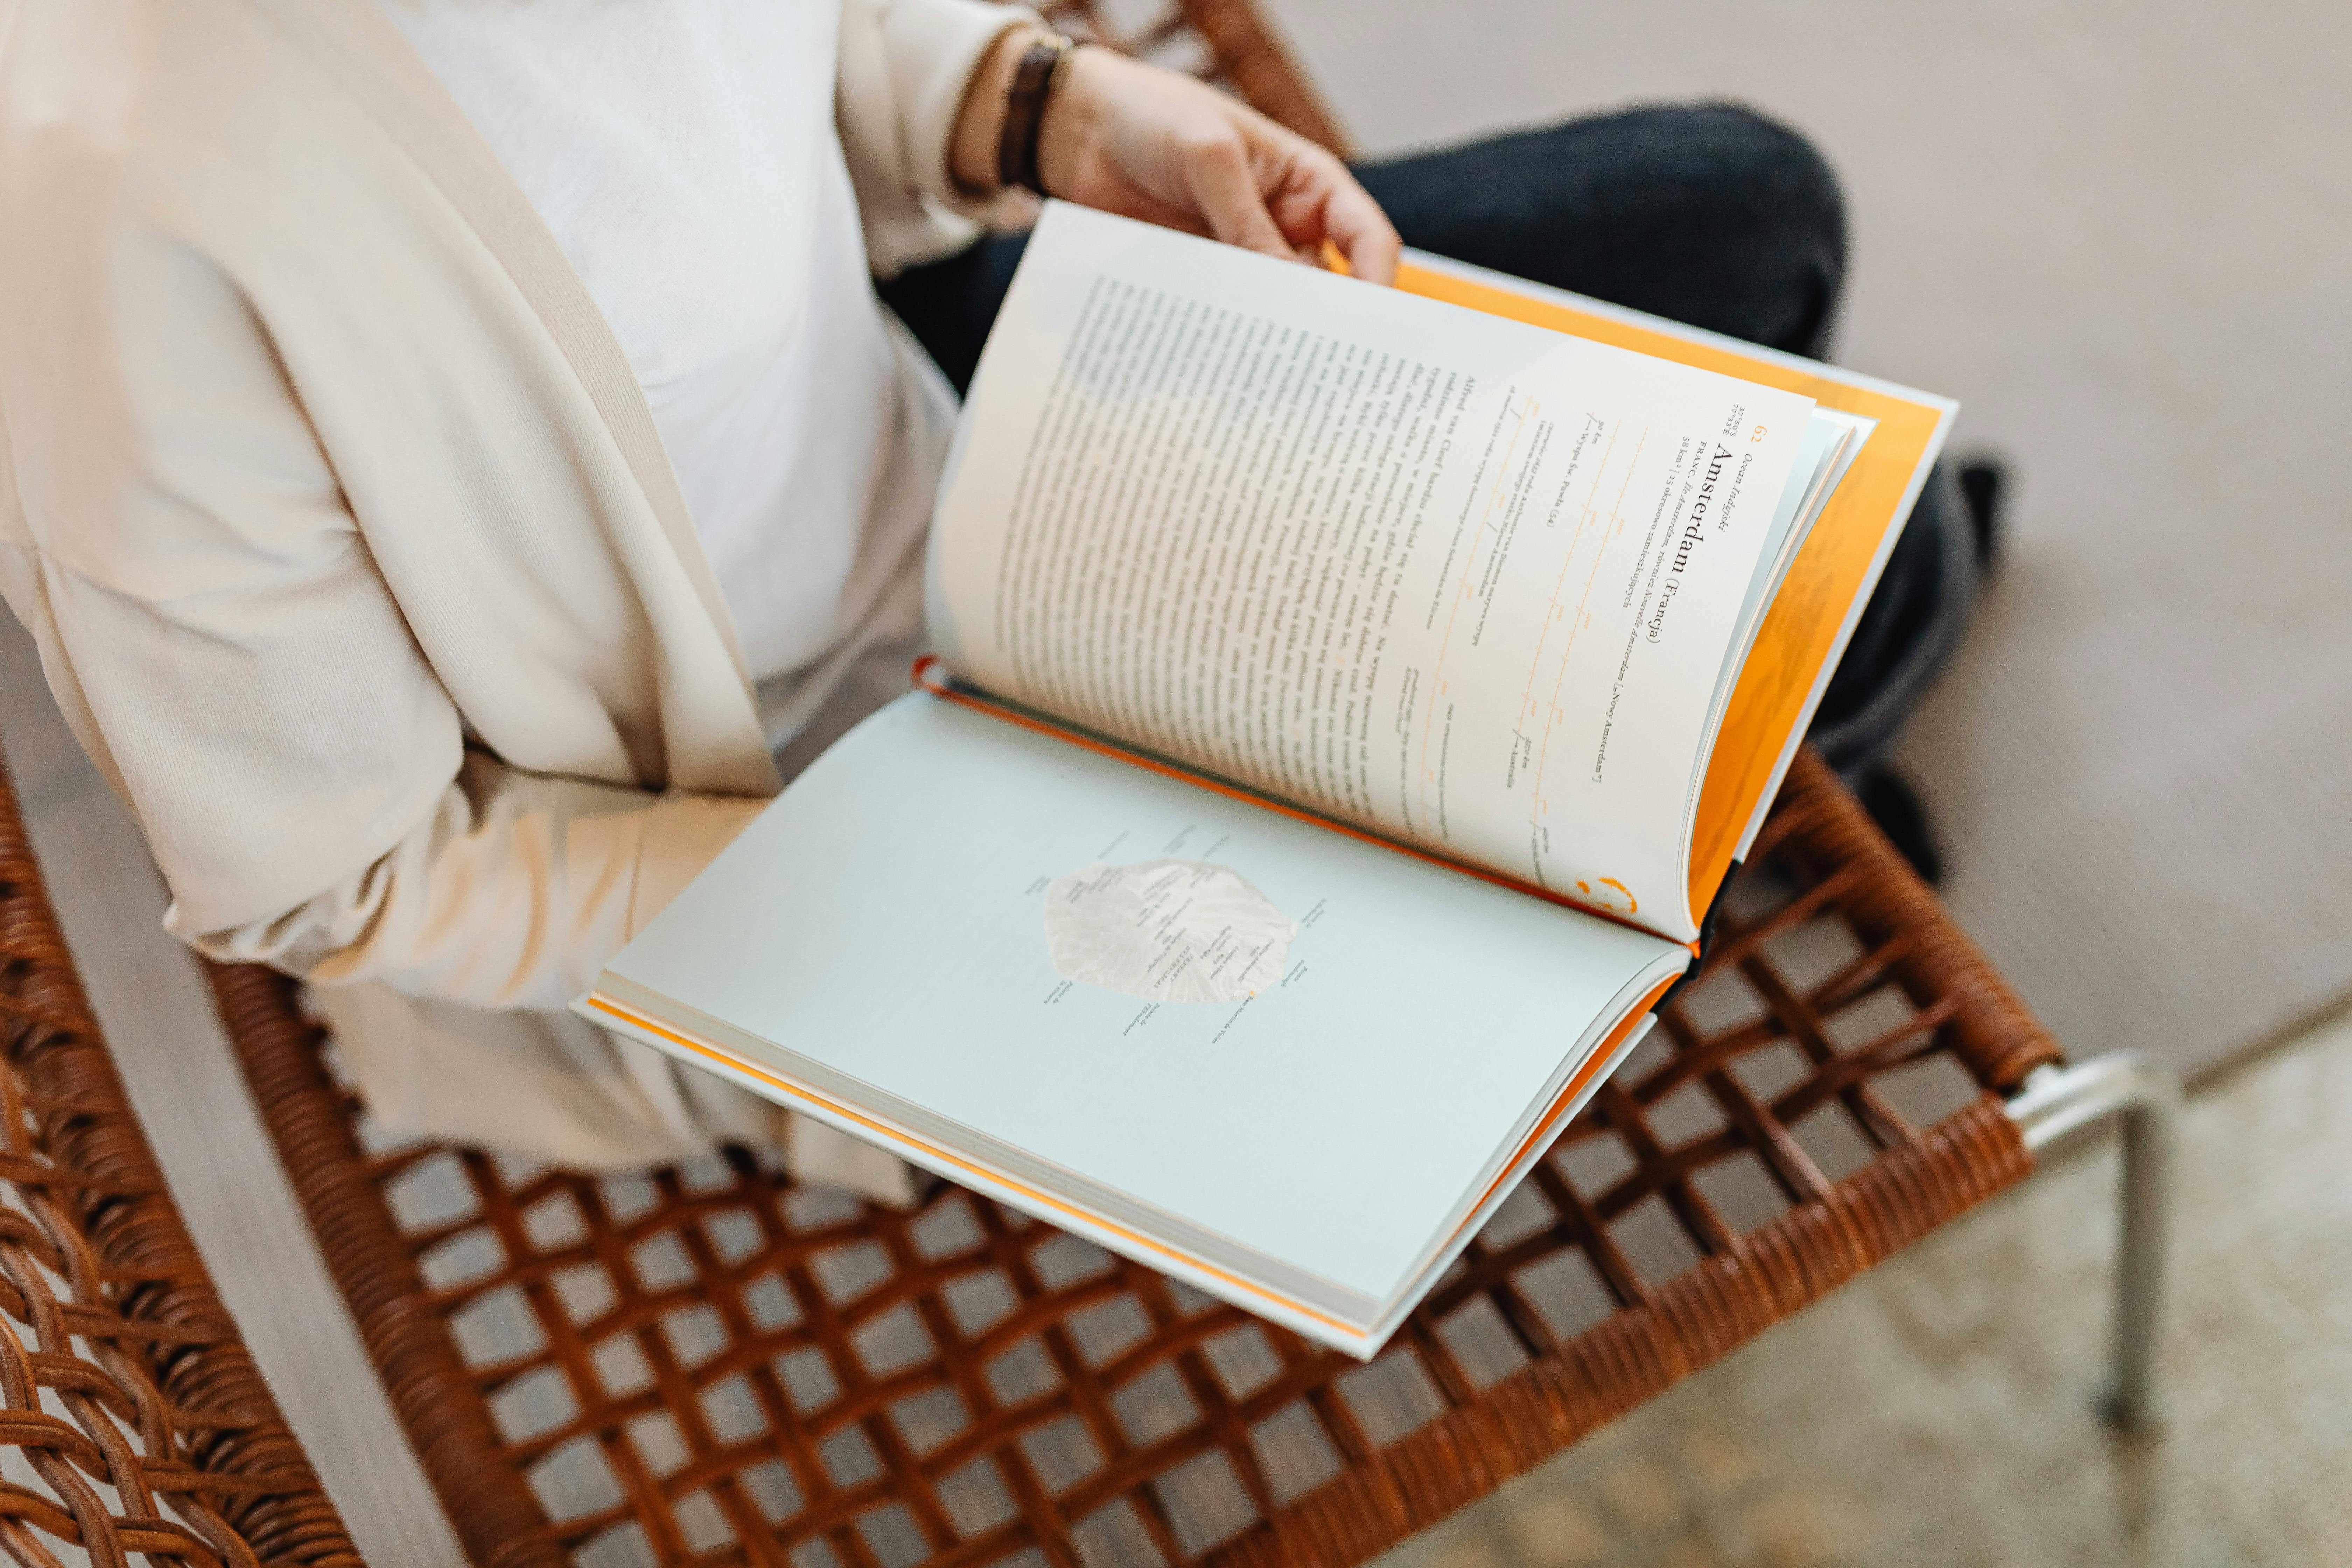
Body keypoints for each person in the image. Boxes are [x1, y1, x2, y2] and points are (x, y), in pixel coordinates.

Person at [0, 0, 1978, 1200]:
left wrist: (1052, 110)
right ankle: (1768, 808)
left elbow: (798, 58)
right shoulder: (110, 220)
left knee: (1753, 213)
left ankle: (1754, 786)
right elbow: (343, 878)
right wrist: (891, 874)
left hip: (952, 419)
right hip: (788, 807)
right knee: (1870, 580)